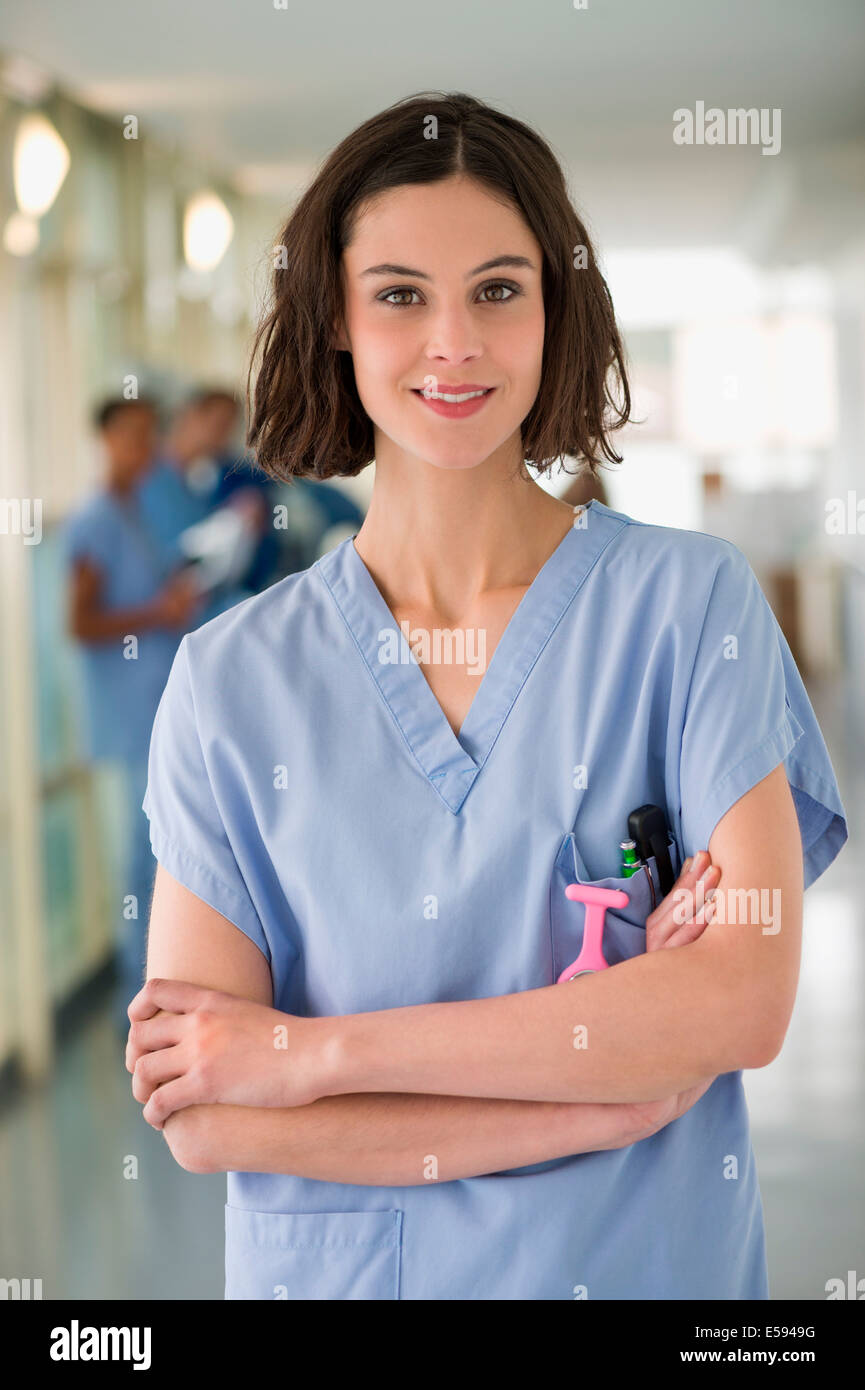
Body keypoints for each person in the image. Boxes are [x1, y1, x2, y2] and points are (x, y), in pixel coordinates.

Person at [126, 92, 847, 1300]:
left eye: (499, 289)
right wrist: (595, 1105)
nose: (452, 341)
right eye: (401, 293)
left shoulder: (688, 610)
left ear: (555, 313)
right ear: (338, 321)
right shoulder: (229, 681)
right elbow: (207, 1117)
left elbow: (740, 998)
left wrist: (310, 1057)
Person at [62, 397, 203, 1032]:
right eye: (133, 438)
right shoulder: (93, 520)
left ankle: (159, 981)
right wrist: (158, 613)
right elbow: (80, 621)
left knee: (158, 851)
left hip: (153, 702)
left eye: (152, 436)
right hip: (127, 712)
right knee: (139, 860)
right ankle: (137, 995)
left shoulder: (138, 511)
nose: (145, 449)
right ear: (108, 440)